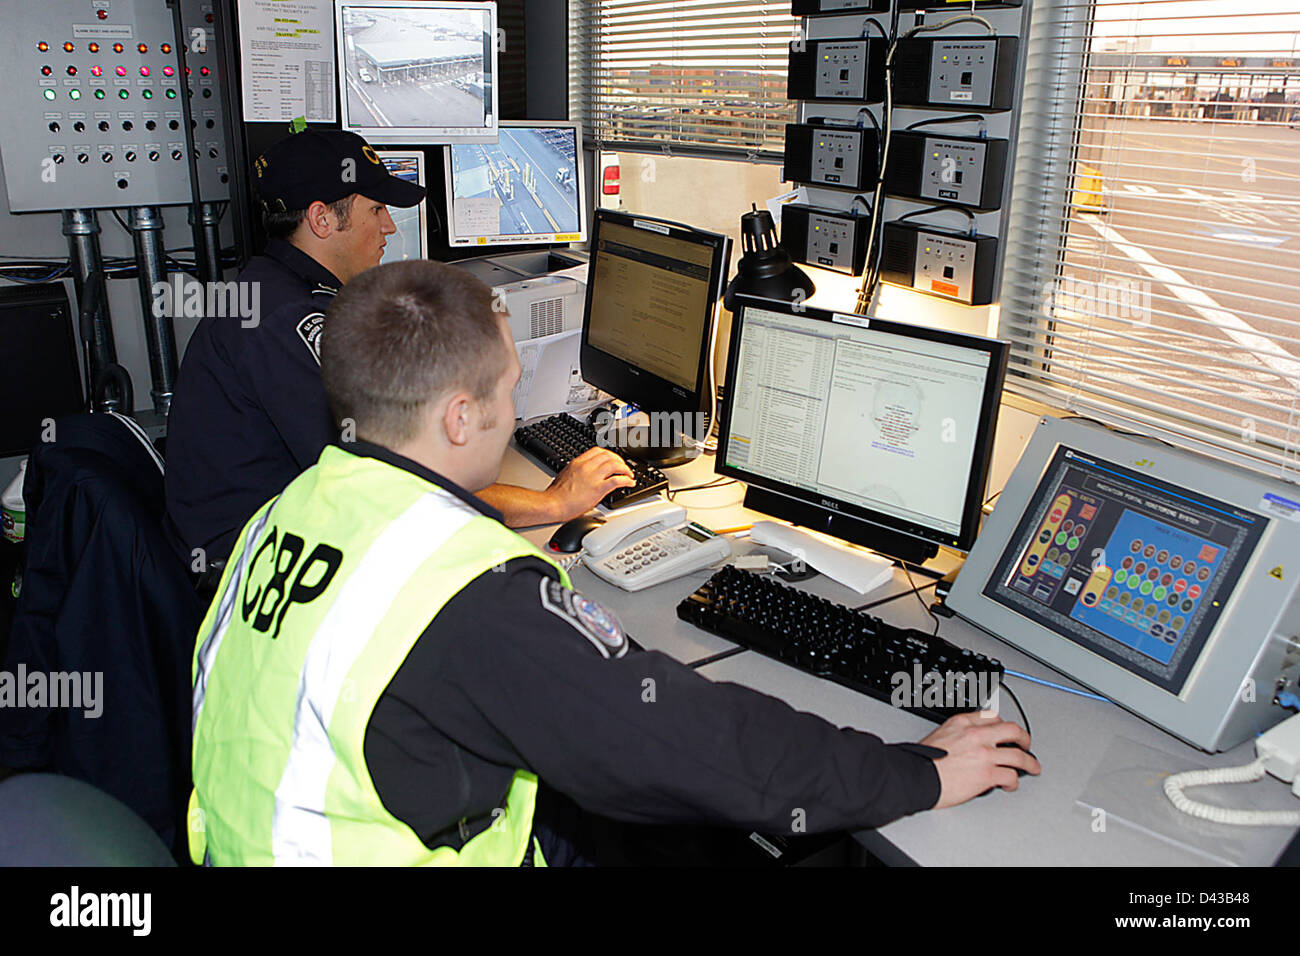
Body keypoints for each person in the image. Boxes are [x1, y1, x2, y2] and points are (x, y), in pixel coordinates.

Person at [188, 260, 1039, 867]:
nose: (516, 405)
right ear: (457, 418)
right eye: (508, 387)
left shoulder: (289, 507)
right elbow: (688, 742)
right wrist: (916, 773)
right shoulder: (468, 594)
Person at [164, 129, 631, 572]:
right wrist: (556, 502)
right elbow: (392, 491)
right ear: (321, 219)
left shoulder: (276, 289)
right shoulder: (287, 324)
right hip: (255, 567)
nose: (389, 226)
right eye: (375, 211)